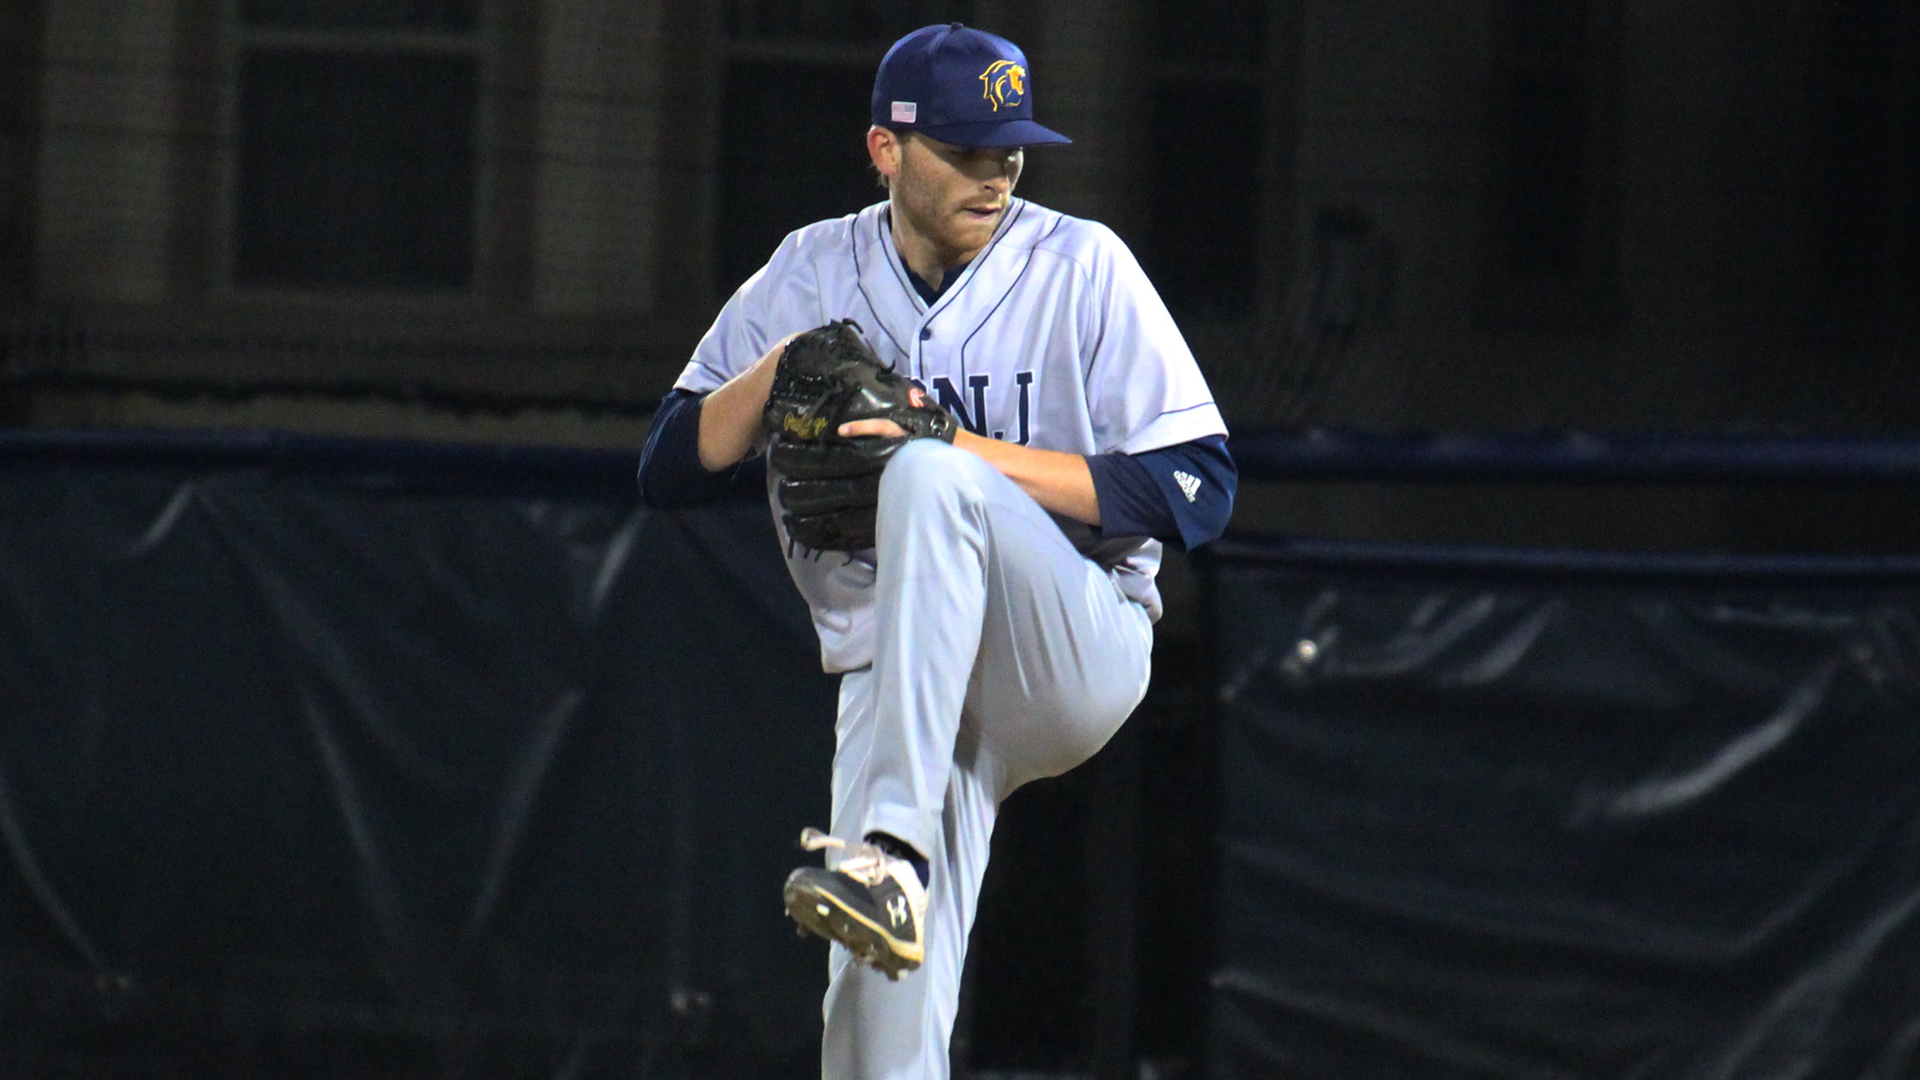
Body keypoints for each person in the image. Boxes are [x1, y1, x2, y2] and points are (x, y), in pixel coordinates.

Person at [637, 21, 1235, 1079]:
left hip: (1071, 638)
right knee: (869, 1013)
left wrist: (962, 449)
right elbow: (670, 466)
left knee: (928, 472)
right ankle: (890, 879)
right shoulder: (813, 269)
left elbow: (1200, 487)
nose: (995, 170)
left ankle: (893, 852)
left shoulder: (1081, 266)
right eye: (964, 147)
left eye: (1008, 147)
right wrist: (776, 372)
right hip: (907, 670)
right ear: (885, 150)